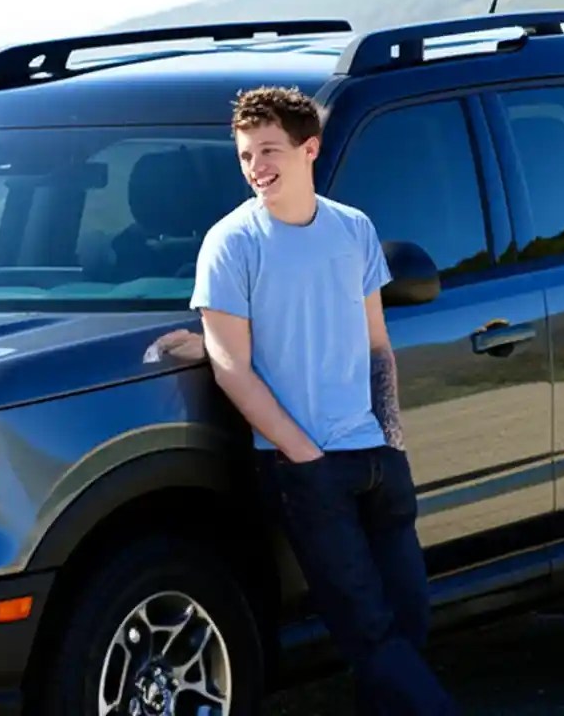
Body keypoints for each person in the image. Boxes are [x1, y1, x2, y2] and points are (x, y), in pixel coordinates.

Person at [189, 86, 458, 715]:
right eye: (246, 155)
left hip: (376, 459)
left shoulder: (353, 228)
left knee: (409, 620)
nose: (256, 166)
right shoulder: (231, 244)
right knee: (370, 630)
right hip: (303, 469)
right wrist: (303, 455)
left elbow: (377, 345)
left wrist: (391, 440)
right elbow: (231, 365)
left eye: (269, 150)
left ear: (310, 148)